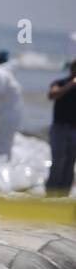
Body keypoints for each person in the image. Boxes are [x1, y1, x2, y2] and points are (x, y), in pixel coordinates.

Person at [47, 59, 76, 196]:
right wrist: (71, 84)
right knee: (58, 161)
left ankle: (64, 195)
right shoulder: (60, 82)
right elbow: (52, 94)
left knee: (70, 163)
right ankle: (51, 193)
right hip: (59, 128)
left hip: (74, 129)